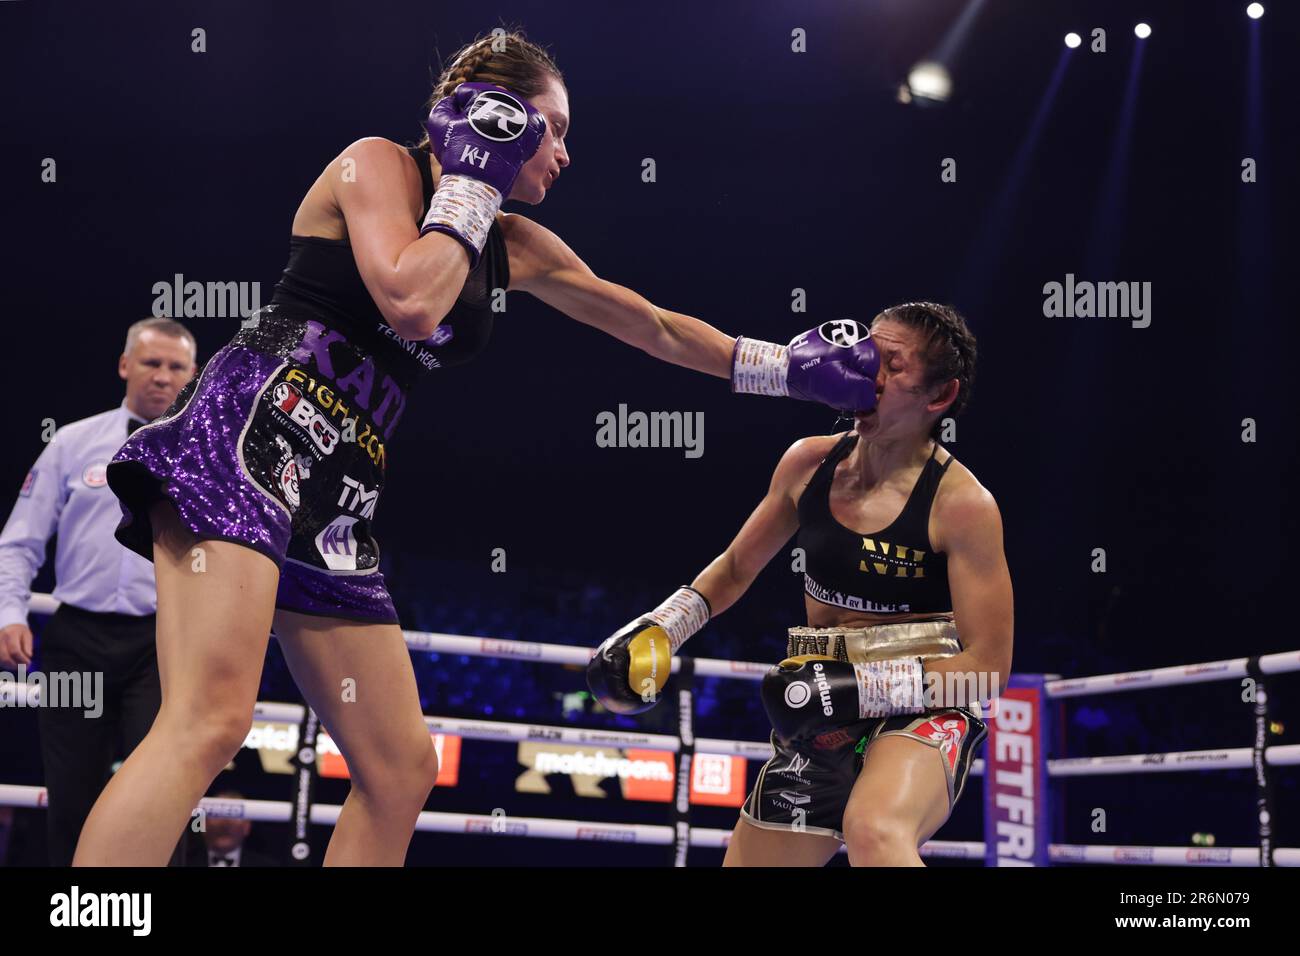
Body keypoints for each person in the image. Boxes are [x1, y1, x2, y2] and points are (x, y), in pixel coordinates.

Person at [72, 30, 879, 866]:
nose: (565, 152)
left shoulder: (517, 246)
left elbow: (656, 327)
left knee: (401, 768)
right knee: (211, 720)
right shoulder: (377, 164)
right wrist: (467, 178)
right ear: (496, 114)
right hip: (252, 434)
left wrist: (789, 370)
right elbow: (413, 302)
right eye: (554, 126)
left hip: (343, 489)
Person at [588, 302, 1014, 866]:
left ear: (939, 397)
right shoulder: (808, 463)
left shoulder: (962, 505)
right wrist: (663, 628)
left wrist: (864, 688)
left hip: (924, 706)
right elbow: (737, 568)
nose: (867, 374)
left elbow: (988, 669)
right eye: (867, 352)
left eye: (892, 364)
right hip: (819, 708)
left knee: (874, 829)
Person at [0, 318, 197, 865]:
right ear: (125, 365)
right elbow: (18, 542)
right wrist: (9, 614)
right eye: (152, 363)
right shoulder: (72, 442)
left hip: (165, 646)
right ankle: (82, 917)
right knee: (72, 793)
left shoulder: (210, 457)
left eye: (175, 367)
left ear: (193, 375)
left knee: (166, 789)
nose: (162, 377)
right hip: (76, 640)